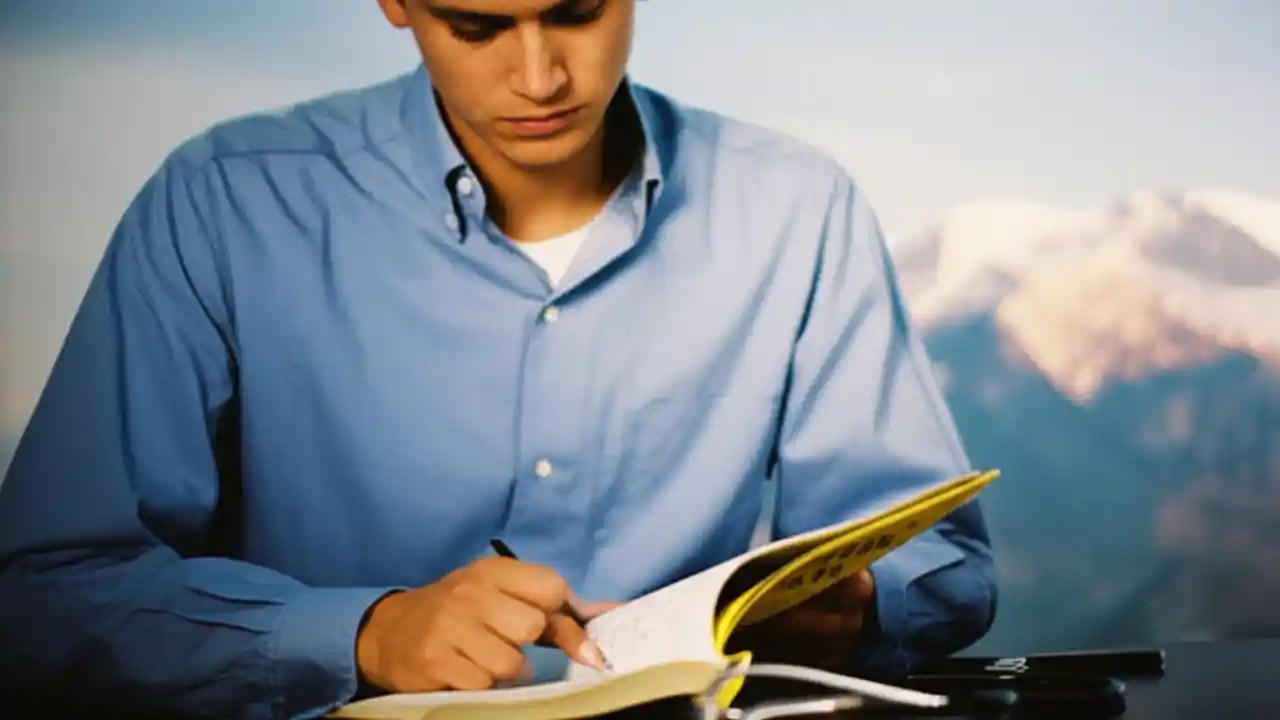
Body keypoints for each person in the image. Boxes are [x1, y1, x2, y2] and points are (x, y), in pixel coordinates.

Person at [0, 0, 996, 717]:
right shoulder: (221, 204)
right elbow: (47, 593)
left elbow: (942, 564)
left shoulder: (792, 207)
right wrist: (364, 636)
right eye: (475, 25)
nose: (538, 77)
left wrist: (853, 603)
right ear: (394, 4)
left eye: (575, 11)